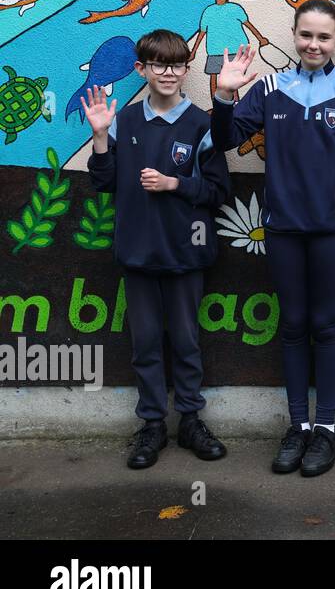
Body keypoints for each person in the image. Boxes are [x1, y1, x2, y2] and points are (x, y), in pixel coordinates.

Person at [210, 0, 335, 477]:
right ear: (295, 34)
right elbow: (224, 140)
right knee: (293, 326)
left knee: (326, 326)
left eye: (324, 37)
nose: (314, 45)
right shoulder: (269, 88)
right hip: (282, 230)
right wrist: (224, 95)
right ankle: (298, 427)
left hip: (334, 232)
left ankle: (325, 431)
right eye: (306, 35)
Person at [83, 29, 231, 469]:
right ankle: (151, 426)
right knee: (145, 343)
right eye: (159, 65)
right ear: (141, 70)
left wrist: (175, 184)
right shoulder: (124, 121)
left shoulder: (201, 124)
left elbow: (219, 190)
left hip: (186, 254)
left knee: (186, 341)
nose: (169, 73)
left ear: (187, 70)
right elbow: (104, 183)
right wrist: (100, 137)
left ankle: (190, 421)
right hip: (138, 254)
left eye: (177, 65)